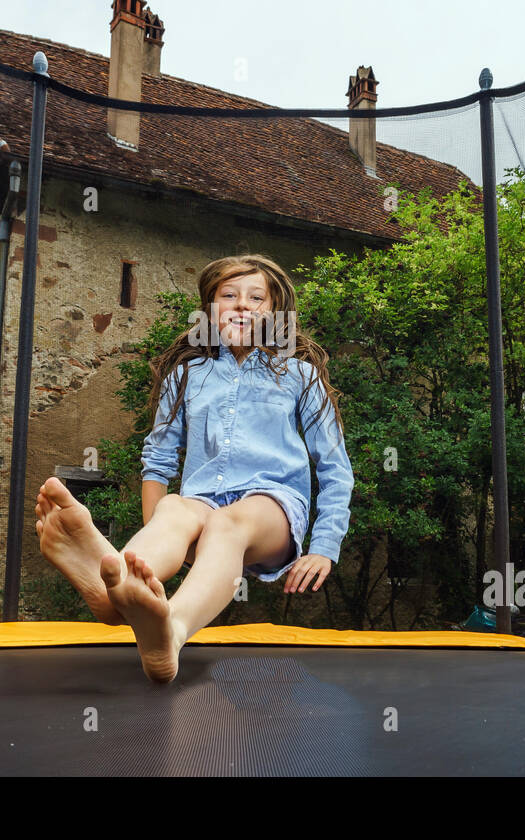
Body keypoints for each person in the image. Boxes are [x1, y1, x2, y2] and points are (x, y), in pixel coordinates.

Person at [35, 253, 354, 683]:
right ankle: (122, 580)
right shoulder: (186, 376)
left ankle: (174, 629)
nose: (242, 304)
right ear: (209, 310)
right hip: (200, 504)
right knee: (175, 510)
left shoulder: (300, 377)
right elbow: (159, 460)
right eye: (228, 295)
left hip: (273, 509)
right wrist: (160, 543)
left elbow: (335, 468)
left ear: (275, 313)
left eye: (256, 297)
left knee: (228, 522)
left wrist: (324, 546)